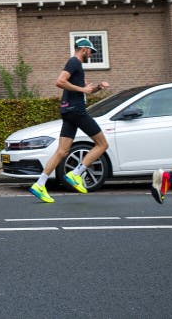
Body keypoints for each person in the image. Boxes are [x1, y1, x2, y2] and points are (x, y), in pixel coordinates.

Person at [28, 38, 110, 203]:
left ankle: (39, 184)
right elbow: (60, 82)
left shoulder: (77, 67)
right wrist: (82, 88)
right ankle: (76, 173)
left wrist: (98, 87)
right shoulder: (74, 62)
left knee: (62, 151)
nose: (91, 55)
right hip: (77, 111)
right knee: (102, 144)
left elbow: (83, 91)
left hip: (68, 111)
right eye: (91, 52)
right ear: (84, 49)